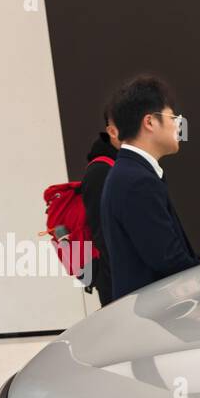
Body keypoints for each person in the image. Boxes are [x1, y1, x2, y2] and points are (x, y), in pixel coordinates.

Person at [100, 75, 200, 300]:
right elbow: (166, 260)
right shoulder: (136, 180)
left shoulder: (130, 172)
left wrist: (196, 262)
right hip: (154, 313)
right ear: (150, 122)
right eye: (172, 117)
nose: (177, 125)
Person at [79, 102, 119, 304]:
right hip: (114, 281)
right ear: (112, 131)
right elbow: (103, 236)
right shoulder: (101, 171)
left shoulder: (116, 166)